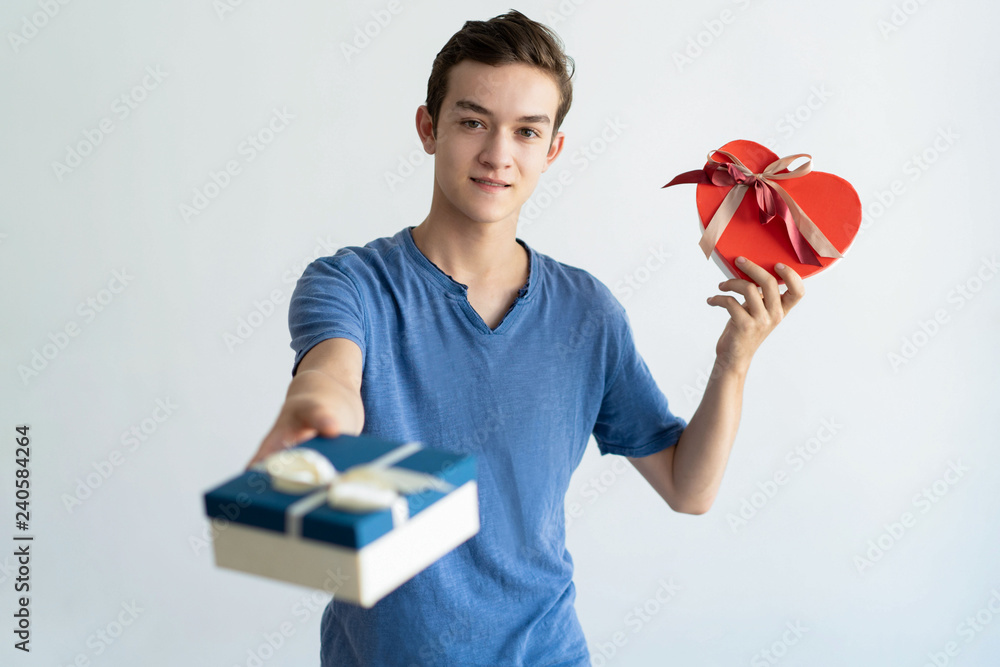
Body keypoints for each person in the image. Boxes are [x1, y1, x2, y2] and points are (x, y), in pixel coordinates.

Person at [246, 9, 804, 666]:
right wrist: (315, 413)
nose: (497, 155)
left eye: (526, 131)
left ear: (553, 149)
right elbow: (332, 375)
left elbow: (690, 488)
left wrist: (733, 362)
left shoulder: (587, 313)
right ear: (429, 127)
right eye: (473, 121)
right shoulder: (353, 283)